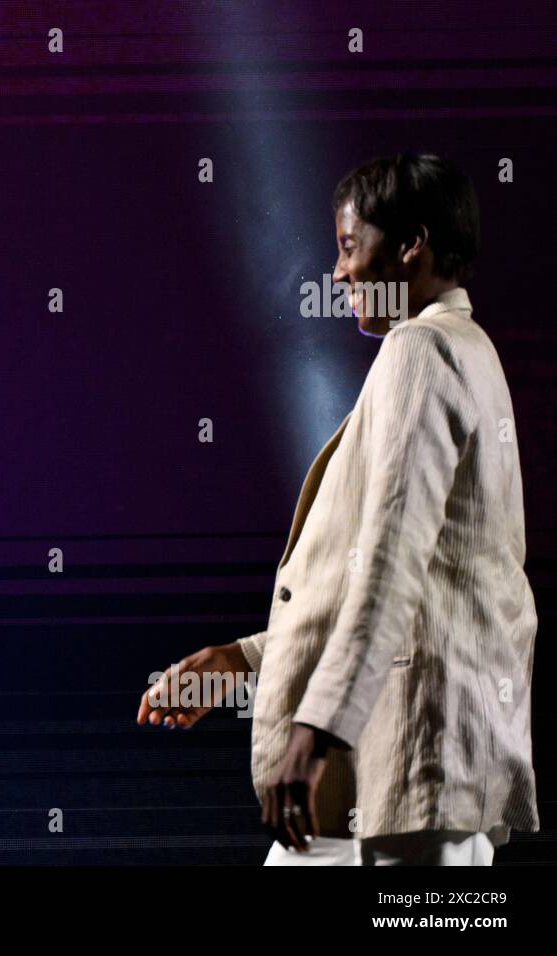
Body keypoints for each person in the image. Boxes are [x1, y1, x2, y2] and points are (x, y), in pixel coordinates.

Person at [136, 154, 537, 866]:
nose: (340, 272)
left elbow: (391, 564)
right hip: (410, 778)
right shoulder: (469, 353)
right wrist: (245, 657)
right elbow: (403, 582)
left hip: (402, 772)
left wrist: (315, 730)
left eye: (350, 246)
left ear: (411, 245)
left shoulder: (420, 352)